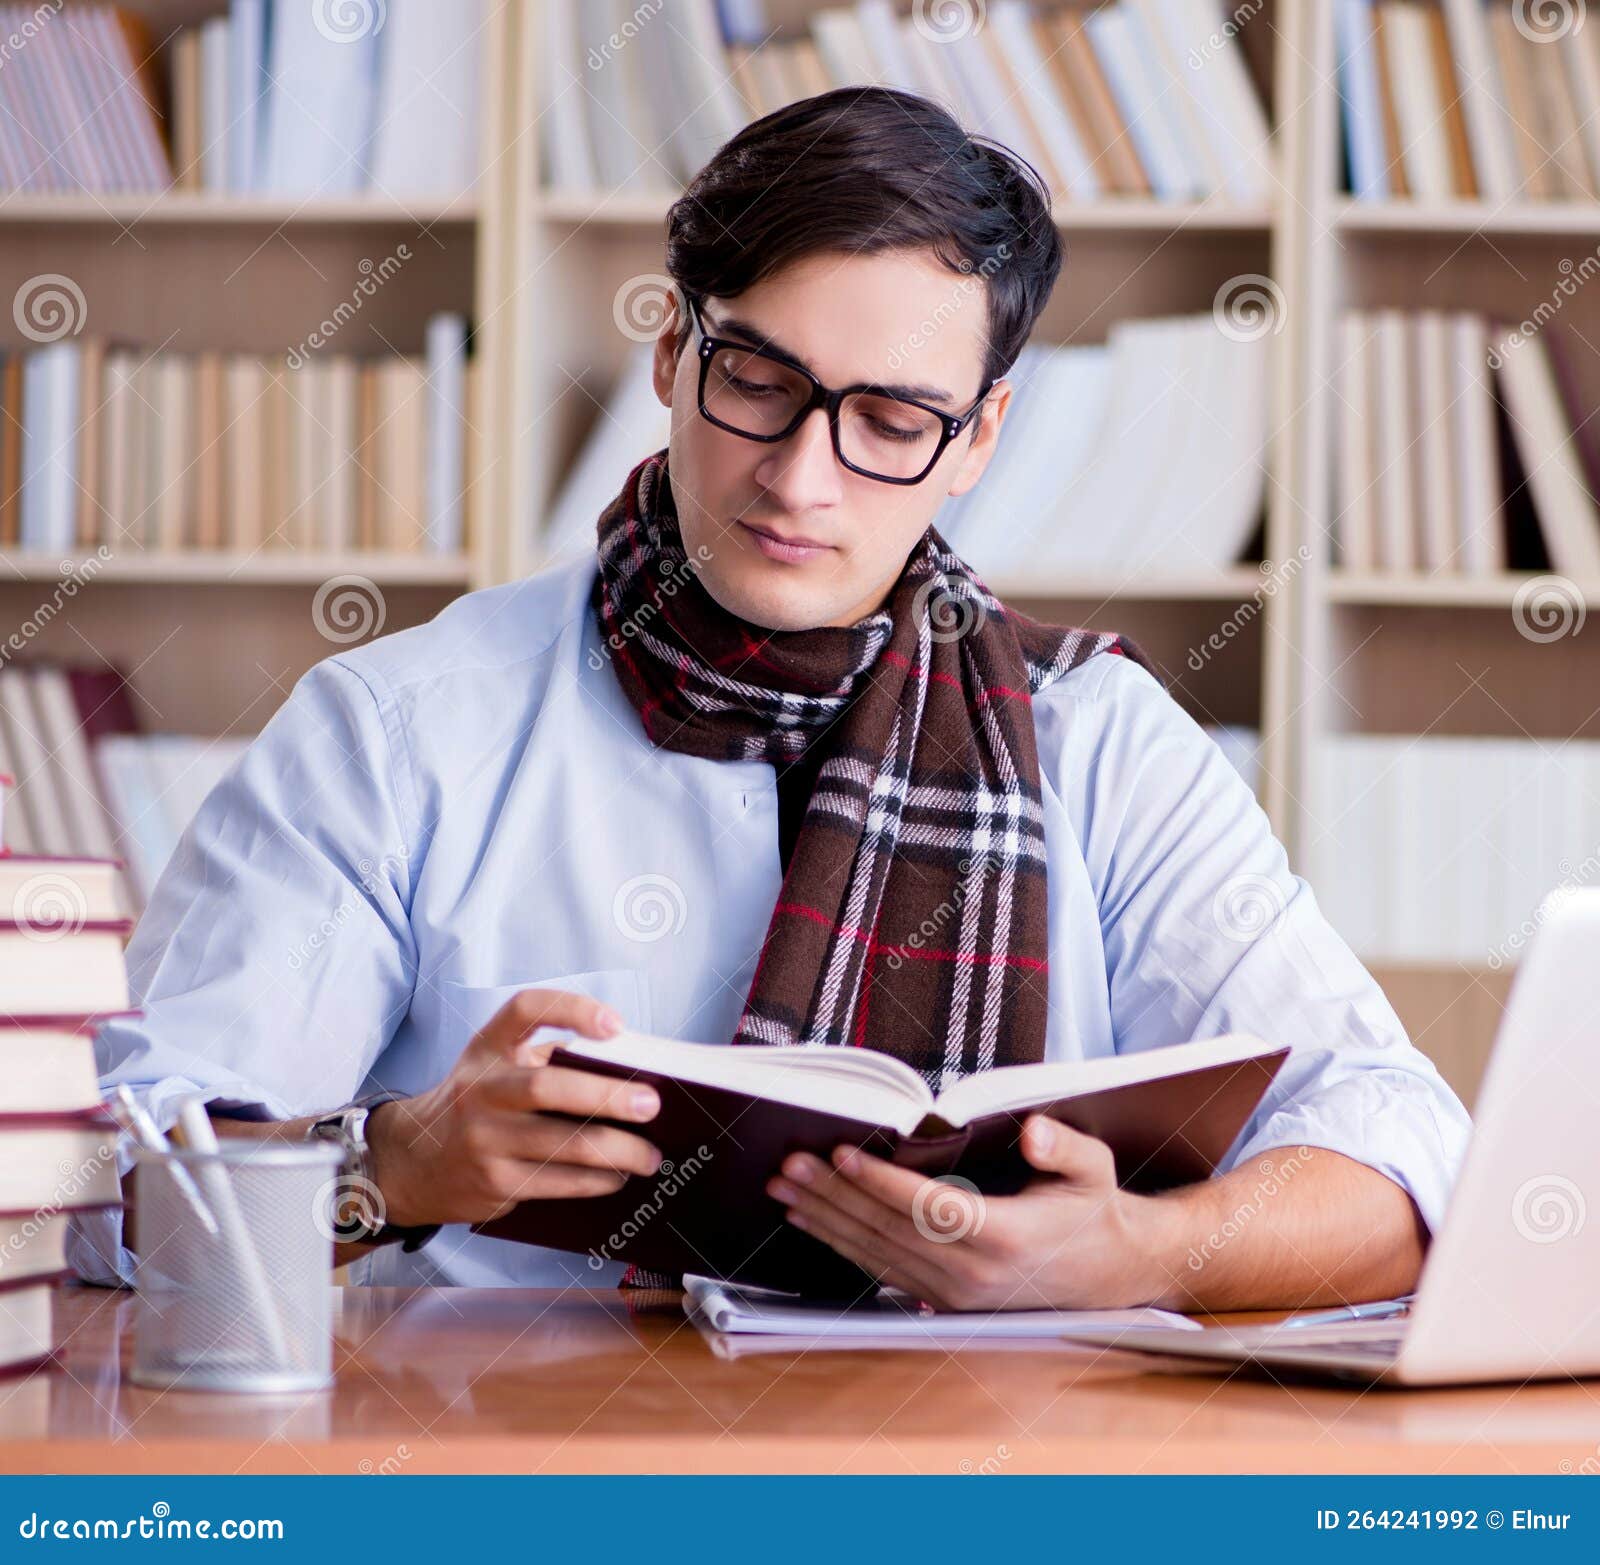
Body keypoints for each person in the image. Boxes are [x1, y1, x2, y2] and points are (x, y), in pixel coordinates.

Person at [73, 88, 1468, 1310]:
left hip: (999, 1477)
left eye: (891, 420)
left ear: (976, 436)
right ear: (673, 353)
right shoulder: (395, 732)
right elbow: (105, 1196)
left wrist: (1156, 1250)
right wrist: (393, 1167)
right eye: (761, 380)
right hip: (505, 1480)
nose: (804, 479)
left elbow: (1402, 1145)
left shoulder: (1098, 739)